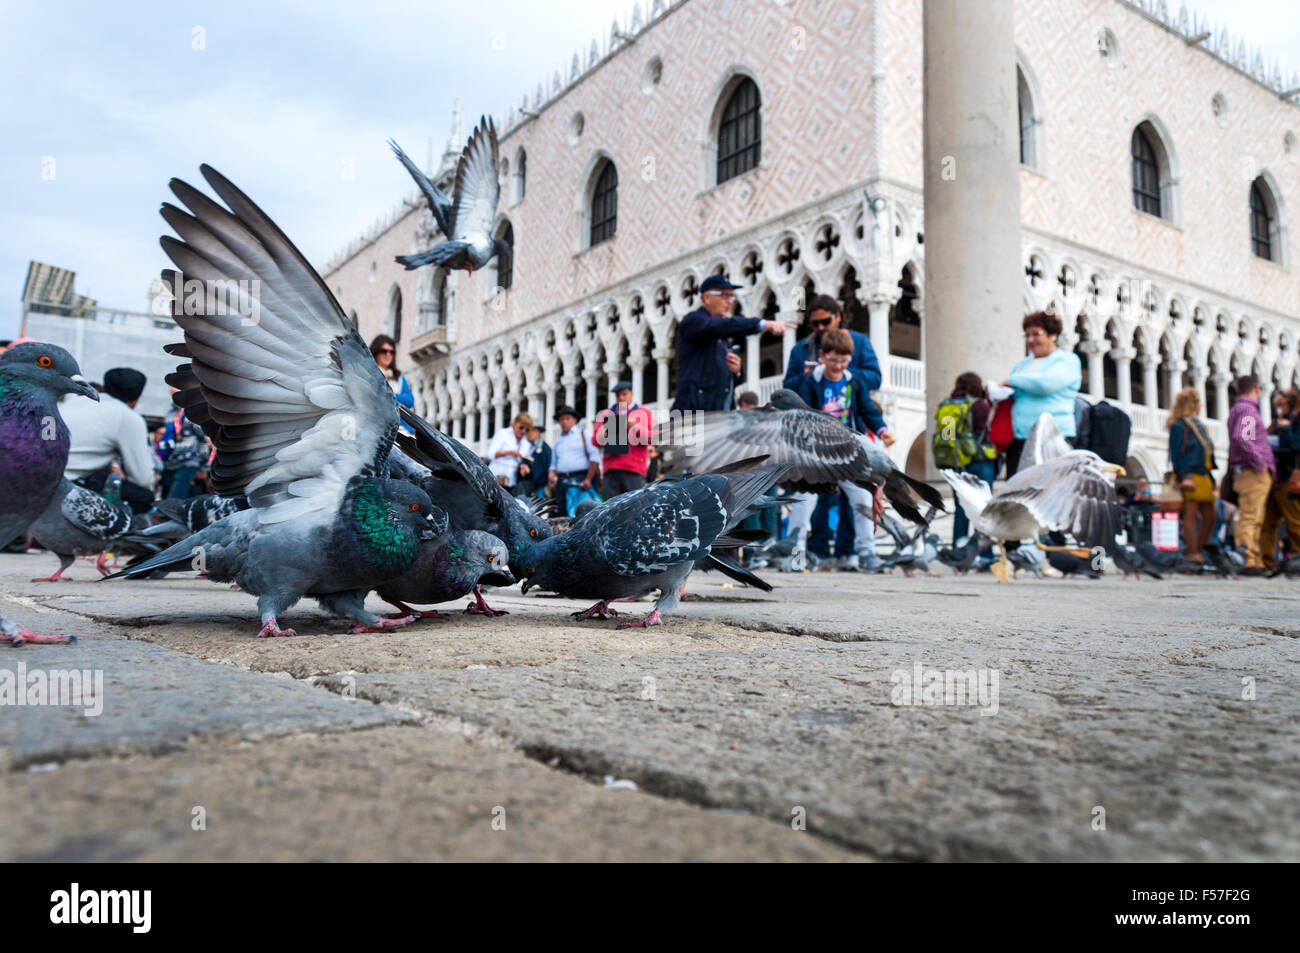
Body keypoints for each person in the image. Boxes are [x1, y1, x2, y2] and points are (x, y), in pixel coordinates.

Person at [787, 329, 891, 571]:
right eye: (834, 360)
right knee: (803, 502)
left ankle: (867, 552)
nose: (838, 366)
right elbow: (799, 412)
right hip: (816, 453)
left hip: (847, 451)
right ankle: (796, 554)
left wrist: (882, 429)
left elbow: (867, 409)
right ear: (822, 356)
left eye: (844, 361)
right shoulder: (811, 382)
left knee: (862, 497)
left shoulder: (854, 381)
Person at [672, 274, 792, 412]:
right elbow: (722, 326)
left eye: (731, 296)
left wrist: (737, 372)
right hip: (693, 413)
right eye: (724, 295)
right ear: (706, 297)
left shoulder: (722, 338)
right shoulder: (693, 322)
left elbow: (727, 383)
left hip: (719, 414)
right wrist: (762, 324)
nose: (730, 301)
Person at [58, 367, 156, 513]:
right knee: (144, 497)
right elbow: (143, 479)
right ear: (134, 401)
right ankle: (104, 528)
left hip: (39, 476)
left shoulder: (74, 402)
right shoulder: (127, 416)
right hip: (68, 483)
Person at [1002, 310, 1082, 476]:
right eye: (1027, 335)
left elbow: (1046, 384)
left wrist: (1013, 380)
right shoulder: (1021, 365)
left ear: (1052, 334)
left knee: (1052, 490)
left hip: (1053, 436)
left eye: (1036, 334)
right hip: (1020, 438)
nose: (1030, 340)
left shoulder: (1067, 360)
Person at [783, 294, 882, 392]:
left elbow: (875, 379)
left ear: (838, 316)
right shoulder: (799, 349)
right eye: (815, 324)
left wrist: (838, 370)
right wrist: (805, 375)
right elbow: (787, 388)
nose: (820, 327)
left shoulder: (860, 341)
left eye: (826, 321)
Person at [1227, 375, 1275, 575]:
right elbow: (1243, 438)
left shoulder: (1239, 408)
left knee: (1254, 517)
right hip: (1251, 471)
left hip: (1248, 470)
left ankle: (1253, 558)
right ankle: (1248, 560)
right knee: (1250, 517)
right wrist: (1259, 463)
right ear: (1256, 389)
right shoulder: (1247, 409)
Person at [941, 372, 997, 546]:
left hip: (957, 464)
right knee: (983, 508)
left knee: (961, 510)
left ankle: (959, 552)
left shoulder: (947, 407)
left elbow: (946, 436)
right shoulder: (981, 406)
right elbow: (990, 430)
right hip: (981, 461)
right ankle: (983, 554)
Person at [1166, 387, 1217, 572]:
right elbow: (1177, 454)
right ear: (1193, 404)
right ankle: (1193, 555)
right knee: (1191, 514)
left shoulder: (1198, 426)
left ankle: (1198, 551)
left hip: (1203, 475)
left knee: (1211, 516)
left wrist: (1211, 476)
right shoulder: (1179, 426)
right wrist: (1185, 476)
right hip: (1190, 475)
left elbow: (1206, 454)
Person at [593, 381, 654, 499]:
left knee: (635, 510)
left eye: (624, 394)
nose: (621, 397)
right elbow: (595, 442)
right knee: (610, 512)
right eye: (618, 395)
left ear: (631, 394)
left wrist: (634, 426)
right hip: (611, 470)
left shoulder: (644, 412)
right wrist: (603, 433)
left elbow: (651, 438)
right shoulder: (607, 414)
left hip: (634, 470)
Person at [1262, 387, 1300, 572]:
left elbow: (1295, 446)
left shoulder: (1294, 419)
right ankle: (1266, 561)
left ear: (1288, 400)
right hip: (1272, 477)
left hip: (1287, 476)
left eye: (1281, 394)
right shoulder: (1277, 420)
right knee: (1267, 522)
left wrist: (1284, 434)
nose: (1277, 396)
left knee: (1294, 521)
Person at [547, 406, 600, 516]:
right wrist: (552, 473)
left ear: (574, 420)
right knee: (561, 514)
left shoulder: (584, 435)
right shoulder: (558, 441)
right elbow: (553, 464)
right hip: (561, 482)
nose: (564, 422)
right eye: (561, 419)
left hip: (580, 480)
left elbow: (594, 458)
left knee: (581, 514)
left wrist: (588, 479)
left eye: (567, 418)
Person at [157, 388, 209, 499]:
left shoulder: (195, 412)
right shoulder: (171, 413)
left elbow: (203, 441)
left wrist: (203, 467)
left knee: (176, 495)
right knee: (169, 494)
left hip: (190, 460)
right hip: (172, 459)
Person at [370, 334, 414, 431]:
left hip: (401, 430)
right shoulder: (369, 376)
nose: (388, 355)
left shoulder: (399, 379)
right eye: (384, 351)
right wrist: (398, 397)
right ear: (376, 352)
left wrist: (388, 395)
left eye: (391, 352)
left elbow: (410, 401)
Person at [487, 412, 534, 496]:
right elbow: (490, 454)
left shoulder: (526, 443)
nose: (523, 431)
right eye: (521, 427)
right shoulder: (503, 433)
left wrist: (524, 466)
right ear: (514, 424)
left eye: (527, 429)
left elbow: (522, 461)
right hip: (496, 478)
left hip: (512, 482)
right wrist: (509, 452)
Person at [521, 424, 551, 499]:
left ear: (538, 432)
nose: (530, 433)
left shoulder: (543, 448)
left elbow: (544, 468)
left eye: (533, 430)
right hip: (532, 485)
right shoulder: (530, 447)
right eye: (528, 430)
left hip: (540, 486)